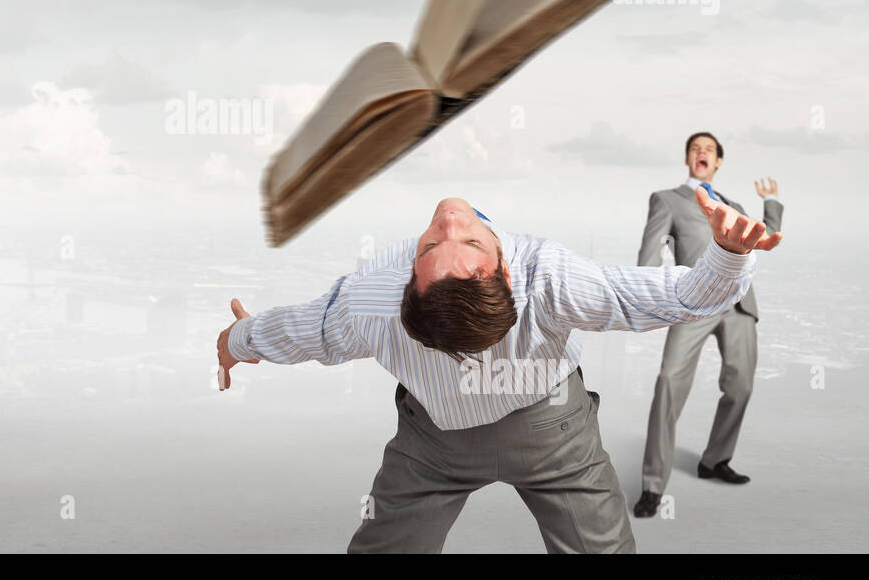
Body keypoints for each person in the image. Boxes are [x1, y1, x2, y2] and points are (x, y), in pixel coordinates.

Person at [217, 192, 781, 553]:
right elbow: (672, 298)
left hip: (470, 439)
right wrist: (727, 257)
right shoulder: (543, 274)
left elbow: (305, 331)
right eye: (439, 243)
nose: (448, 217)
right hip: (527, 433)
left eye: (453, 240)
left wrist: (236, 341)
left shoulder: (371, 299)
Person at [633, 131, 784, 519]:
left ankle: (715, 460)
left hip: (737, 304)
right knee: (668, 383)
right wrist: (645, 296)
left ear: (718, 163)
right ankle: (652, 485)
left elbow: (762, 237)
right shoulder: (667, 200)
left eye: (710, 150)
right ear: (688, 159)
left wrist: (770, 204)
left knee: (741, 386)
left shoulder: (732, 204)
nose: (702, 153)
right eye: (696, 149)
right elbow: (650, 252)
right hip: (694, 302)